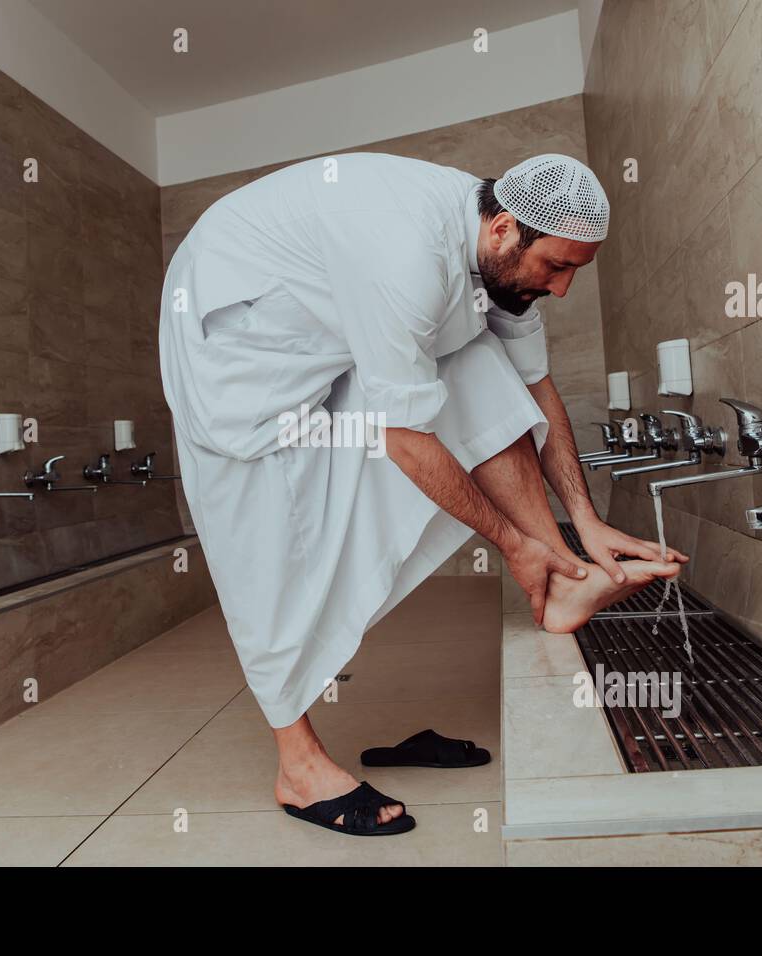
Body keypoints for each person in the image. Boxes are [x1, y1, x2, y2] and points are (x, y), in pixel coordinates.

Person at [159, 153, 686, 836]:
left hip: (321, 330)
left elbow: (534, 384)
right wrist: (509, 544)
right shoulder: (404, 258)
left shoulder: (503, 259)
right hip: (234, 344)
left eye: (573, 273)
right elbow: (403, 438)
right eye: (557, 269)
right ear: (503, 231)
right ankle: (297, 765)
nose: (561, 291)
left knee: (476, 364)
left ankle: (560, 579)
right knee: (263, 547)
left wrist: (583, 522)